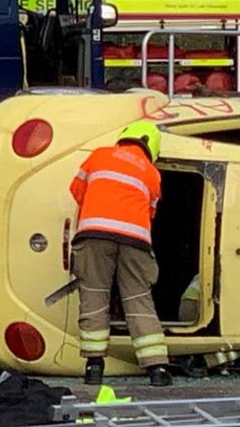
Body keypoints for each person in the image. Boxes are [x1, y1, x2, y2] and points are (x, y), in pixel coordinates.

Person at [69, 121, 172, 387]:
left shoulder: (98, 156)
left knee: (94, 295)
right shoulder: (152, 174)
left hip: (94, 234)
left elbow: (77, 191)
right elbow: (151, 213)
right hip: (135, 240)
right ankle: (157, 369)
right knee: (138, 298)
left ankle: (94, 366)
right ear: (151, 148)